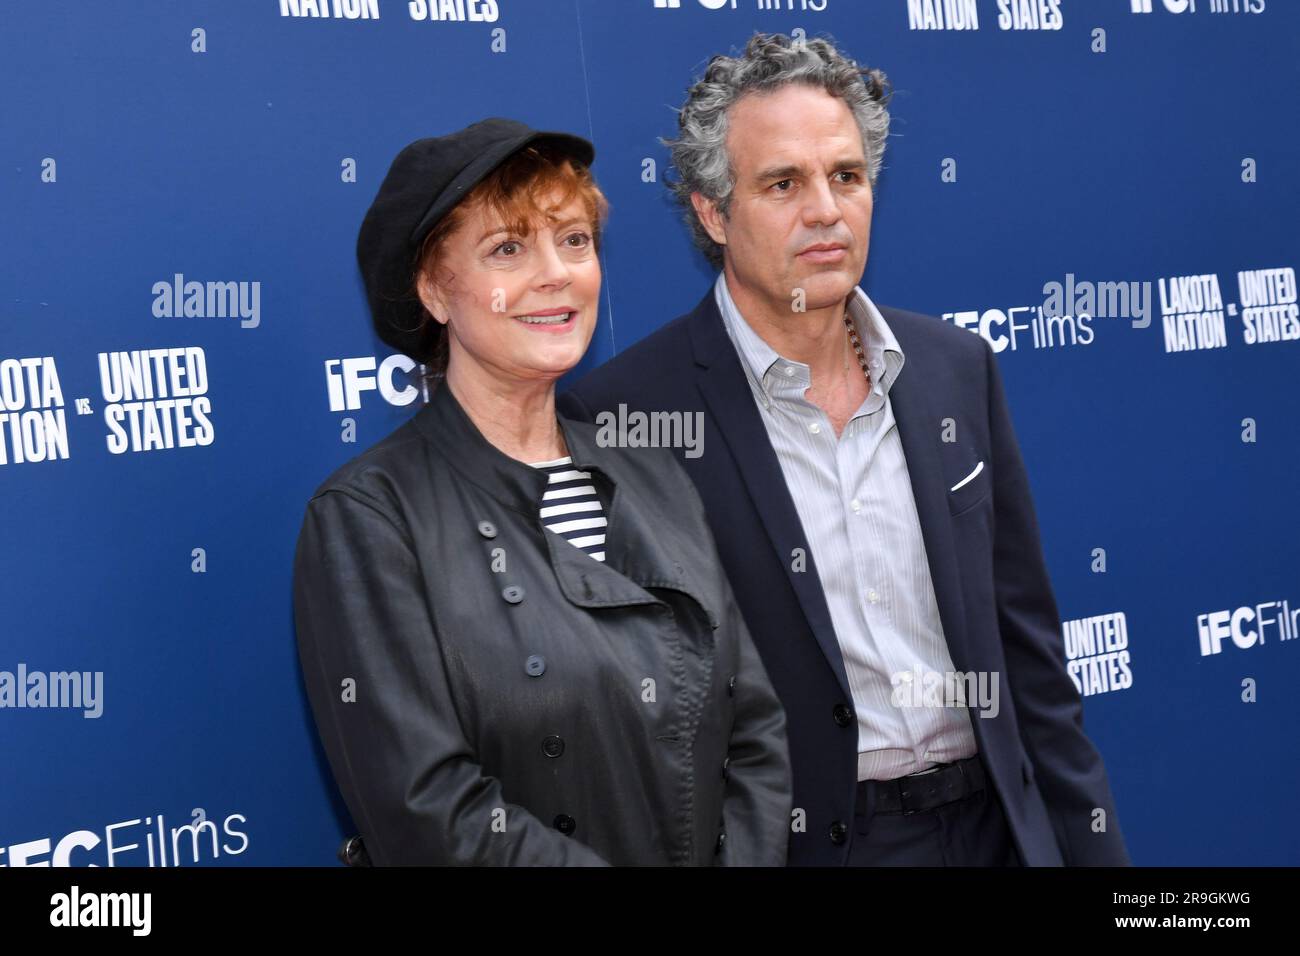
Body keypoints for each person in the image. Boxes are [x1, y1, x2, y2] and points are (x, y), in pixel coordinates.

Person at [558, 35, 1131, 866]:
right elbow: (632, 713)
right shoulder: (625, 412)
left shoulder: (953, 368)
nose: (825, 209)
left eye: (847, 176)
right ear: (713, 214)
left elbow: (1030, 662)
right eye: (783, 183)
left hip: (999, 828)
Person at [292, 118, 792, 866]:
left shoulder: (650, 471)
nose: (556, 273)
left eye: (575, 240)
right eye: (507, 249)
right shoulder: (370, 520)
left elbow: (754, 728)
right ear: (433, 290)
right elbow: (431, 814)